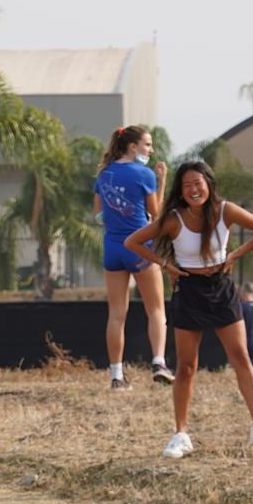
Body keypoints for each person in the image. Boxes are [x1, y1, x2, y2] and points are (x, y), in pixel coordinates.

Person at [123, 160, 253, 458]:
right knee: (186, 367)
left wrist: (234, 254)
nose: (194, 190)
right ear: (181, 192)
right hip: (189, 290)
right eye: (187, 186)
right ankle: (181, 434)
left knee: (240, 357)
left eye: (198, 183)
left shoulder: (226, 210)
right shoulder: (173, 219)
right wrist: (165, 265)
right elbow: (133, 241)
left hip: (221, 287)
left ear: (209, 184)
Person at [94, 126, 170, 388]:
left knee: (116, 314)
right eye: (147, 145)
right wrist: (162, 181)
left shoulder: (104, 174)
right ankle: (158, 362)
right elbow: (156, 213)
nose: (150, 150)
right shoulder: (144, 173)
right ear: (132, 146)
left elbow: (98, 214)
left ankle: (116, 374)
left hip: (113, 249)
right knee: (156, 309)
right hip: (140, 246)